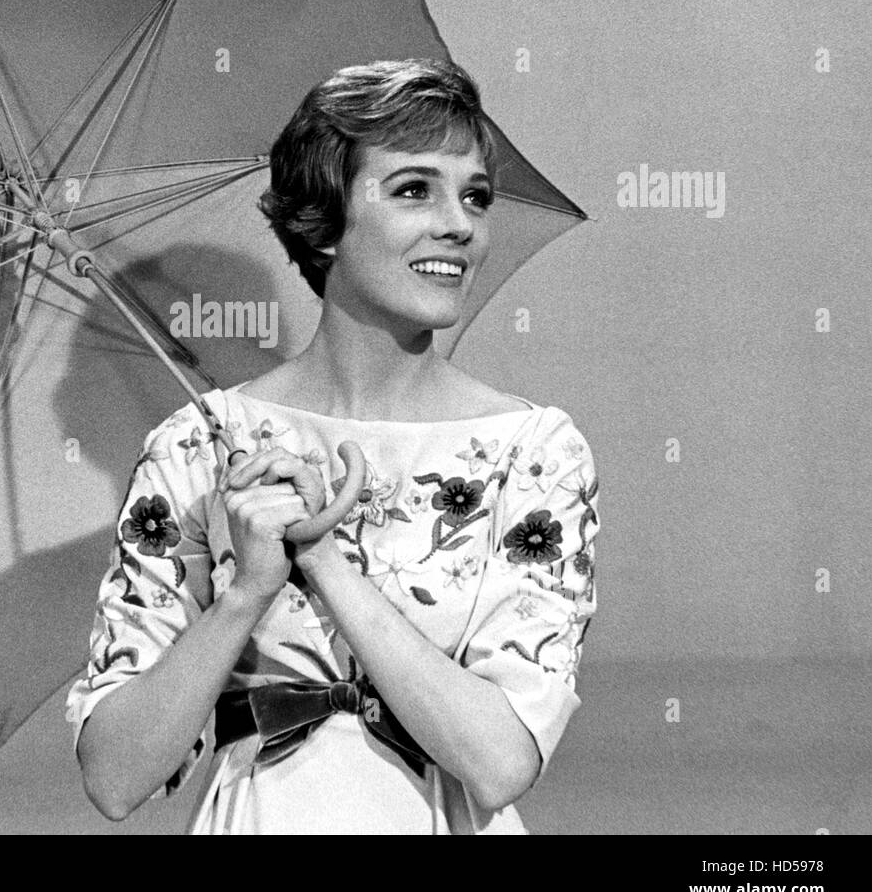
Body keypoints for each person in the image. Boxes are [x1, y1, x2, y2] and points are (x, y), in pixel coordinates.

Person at [64, 56, 600, 834]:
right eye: (415, 188)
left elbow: (500, 762)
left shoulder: (535, 452)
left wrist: (322, 560)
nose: (460, 223)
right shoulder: (200, 448)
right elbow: (115, 777)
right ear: (323, 218)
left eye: (475, 195)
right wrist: (245, 592)